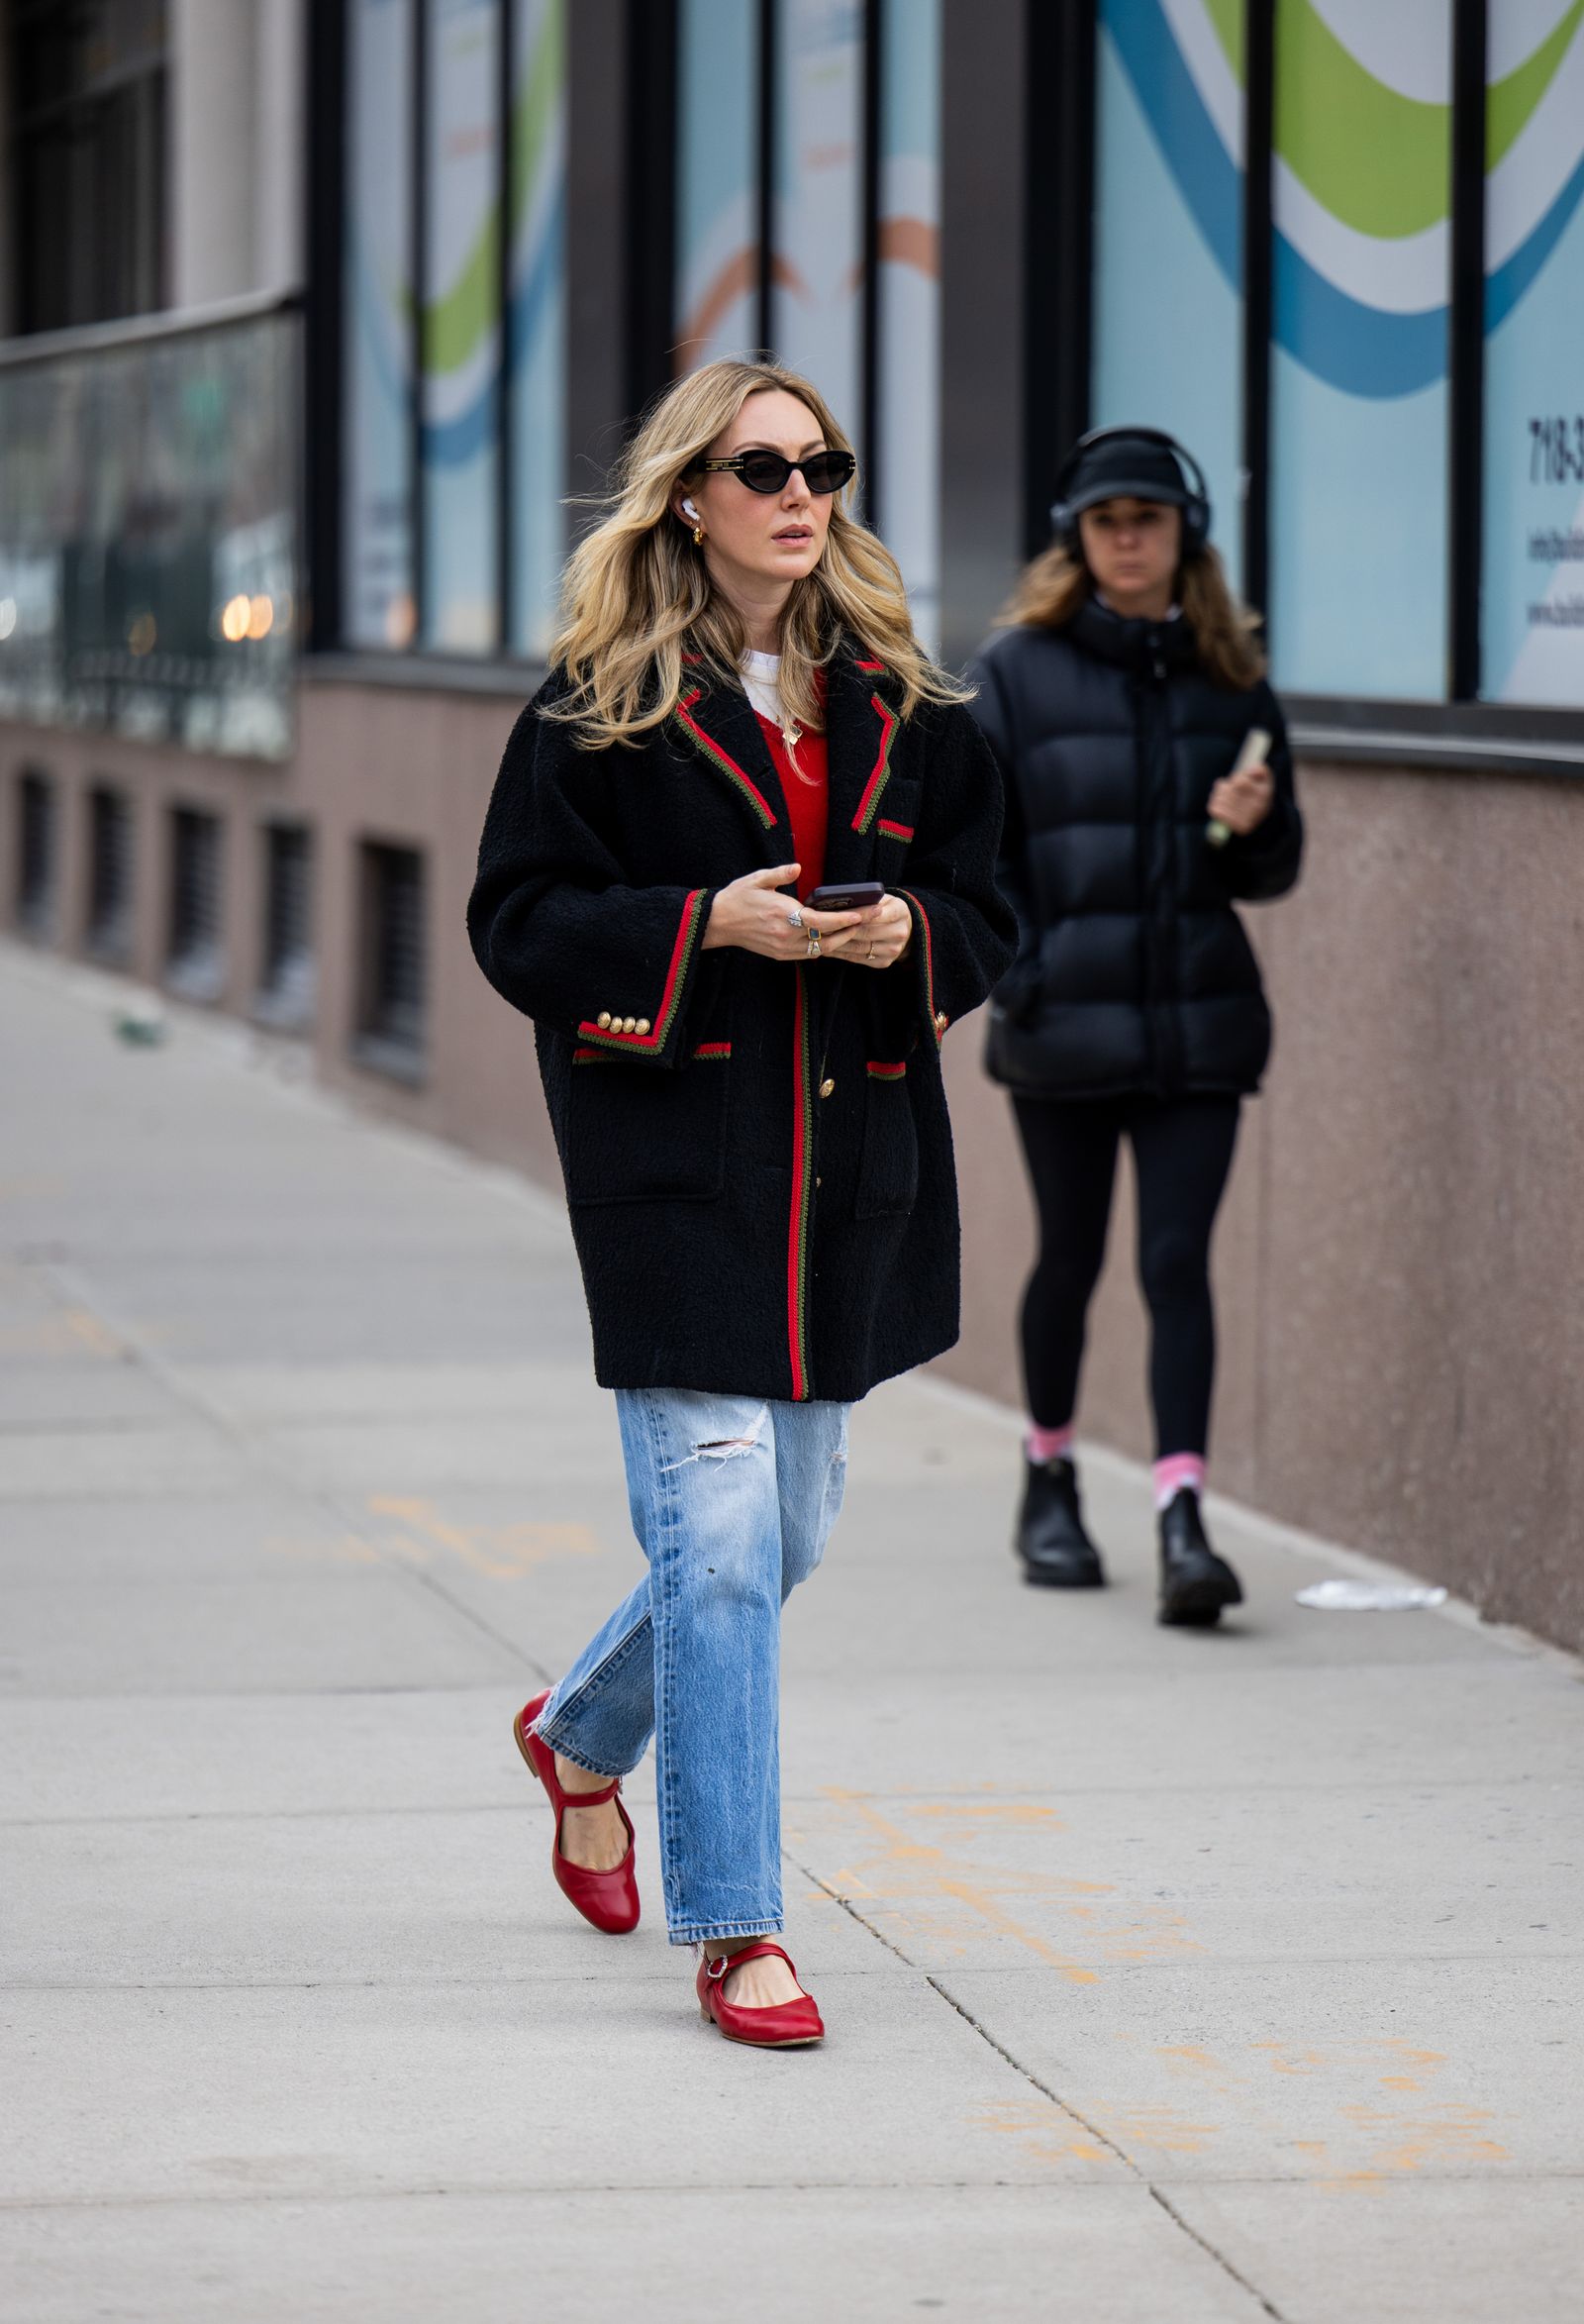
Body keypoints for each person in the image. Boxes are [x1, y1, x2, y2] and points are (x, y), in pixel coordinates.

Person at [468, 357, 1013, 2047]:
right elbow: (519, 921)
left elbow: (995, 902)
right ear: (688, 496)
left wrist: (902, 935)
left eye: (822, 464)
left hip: (850, 1175)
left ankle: (578, 1735)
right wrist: (711, 924)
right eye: (760, 465)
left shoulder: (916, 703)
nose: (799, 492)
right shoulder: (594, 703)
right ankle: (743, 1924)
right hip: (678, 1177)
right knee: (717, 1544)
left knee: (790, 1533)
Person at [968, 426, 1303, 1626]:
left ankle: (1181, 1518)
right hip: (1062, 1024)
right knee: (1070, 1260)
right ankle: (1047, 1479)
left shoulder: (1231, 672)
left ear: (1182, 535)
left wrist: (1250, 822)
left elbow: (1267, 868)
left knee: (1175, 1265)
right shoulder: (1014, 671)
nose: (1126, 537)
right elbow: (972, 850)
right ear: (1077, 535)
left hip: (1195, 1030)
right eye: (1106, 519)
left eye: (1147, 519)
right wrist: (1025, 974)